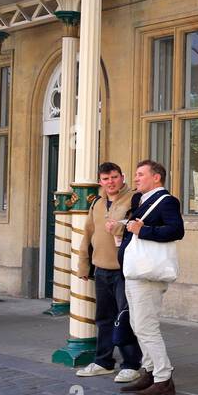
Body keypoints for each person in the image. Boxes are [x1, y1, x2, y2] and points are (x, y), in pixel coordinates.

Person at [116, 159, 184, 395]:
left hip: (148, 273)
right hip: (134, 272)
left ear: (157, 177)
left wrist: (142, 231)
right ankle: (150, 370)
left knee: (146, 326)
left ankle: (164, 378)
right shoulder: (140, 200)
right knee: (137, 324)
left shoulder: (167, 201)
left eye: (140, 174)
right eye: (136, 174)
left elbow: (176, 230)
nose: (136, 179)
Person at [73, 162, 143, 383]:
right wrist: (84, 264)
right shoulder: (97, 203)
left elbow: (140, 228)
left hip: (125, 270)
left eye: (114, 177)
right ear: (100, 181)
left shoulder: (134, 199)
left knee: (125, 318)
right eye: (105, 179)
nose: (110, 182)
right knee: (104, 318)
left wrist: (119, 227)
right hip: (101, 269)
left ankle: (131, 364)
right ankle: (103, 361)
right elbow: (88, 235)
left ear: (122, 177)